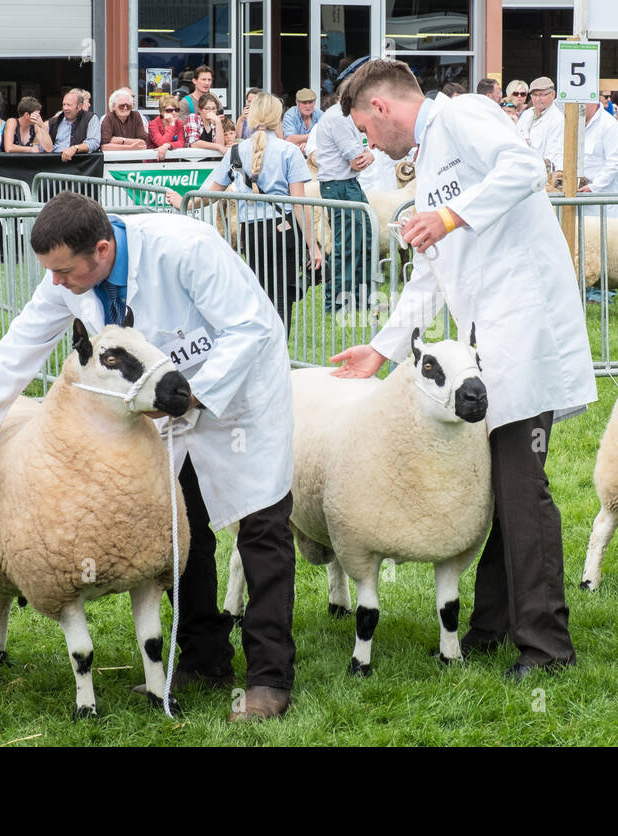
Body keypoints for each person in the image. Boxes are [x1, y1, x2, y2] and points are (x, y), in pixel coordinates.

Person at [0, 191, 298, 722]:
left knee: (260, 528)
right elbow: (21, 341)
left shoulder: (186, 248)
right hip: (158, 409)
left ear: (101, 249)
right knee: (182, 528)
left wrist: (194, 395)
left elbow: (250, 327)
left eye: (63, 270)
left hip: (238, 400)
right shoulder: (73, 280)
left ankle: (269, 678)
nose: (55, 282)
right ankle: (205, 658)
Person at [330, 58, 597, 678]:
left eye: (366, 132)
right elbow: (432, 270)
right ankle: (492, 625)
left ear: (381, 108)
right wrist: (383, 348)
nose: (369, 145)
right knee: (500, 488)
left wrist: (449, 215)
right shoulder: (427, 161)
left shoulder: (462, 114)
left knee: (521, 491)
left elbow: (525, 168)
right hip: (488, 344)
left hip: (526, 333)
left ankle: (547, 646)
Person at [206, 92, 323, 332]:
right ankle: (279, 357)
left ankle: (261, 352)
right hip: (284, 230)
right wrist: (313, 245)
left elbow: (209, 193)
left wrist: (181, 202)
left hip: (252, 231)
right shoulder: (289, 152)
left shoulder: (236, 152)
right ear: (277, 118)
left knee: (259, 295)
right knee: (281, 297)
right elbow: (298, 203)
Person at [310, 95, 375, 313]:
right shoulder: (338, 118)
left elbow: (362, 154)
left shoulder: (345, 116)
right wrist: (369, 154)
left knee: (364, 240)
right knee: (347, 245)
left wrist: (368, 153)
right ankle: (337, 304)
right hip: (339, 185)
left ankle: (359, 300)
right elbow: (357, 162)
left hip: (347, 184)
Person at [579, 97, 618, 194]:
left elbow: (616, 161)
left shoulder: (609, 125)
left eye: (582, 103)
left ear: (593, 101)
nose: (578, 107)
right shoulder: (576, 123)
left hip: (603, 196)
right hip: (581, 194)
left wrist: (594, 186)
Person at [514, 76, 564, 171]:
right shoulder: (527, 114)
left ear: (553, 95)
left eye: (541, 95)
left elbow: (553, 154)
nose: (537, 99)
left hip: (540, 172)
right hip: (522, 168)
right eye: (534, 95)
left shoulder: (557, 119)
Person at [48, 88, 100, 163]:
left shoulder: (90, 118)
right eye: (64, 104)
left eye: (69, 105)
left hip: (80, 166)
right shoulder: (56, 120)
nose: (65, 108)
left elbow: (93, 142)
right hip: (55, 164)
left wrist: (75, 148)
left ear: (79, 106)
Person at [99, 87, 149, 152]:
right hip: (114, 160)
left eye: (128, 106)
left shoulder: (136, 116)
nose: (125, 108)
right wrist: (131, 147)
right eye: (121, 106)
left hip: (134, 159)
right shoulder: (108, 118)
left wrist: (119, 140)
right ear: (113, 106)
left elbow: (143, 143)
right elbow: (104, 147)